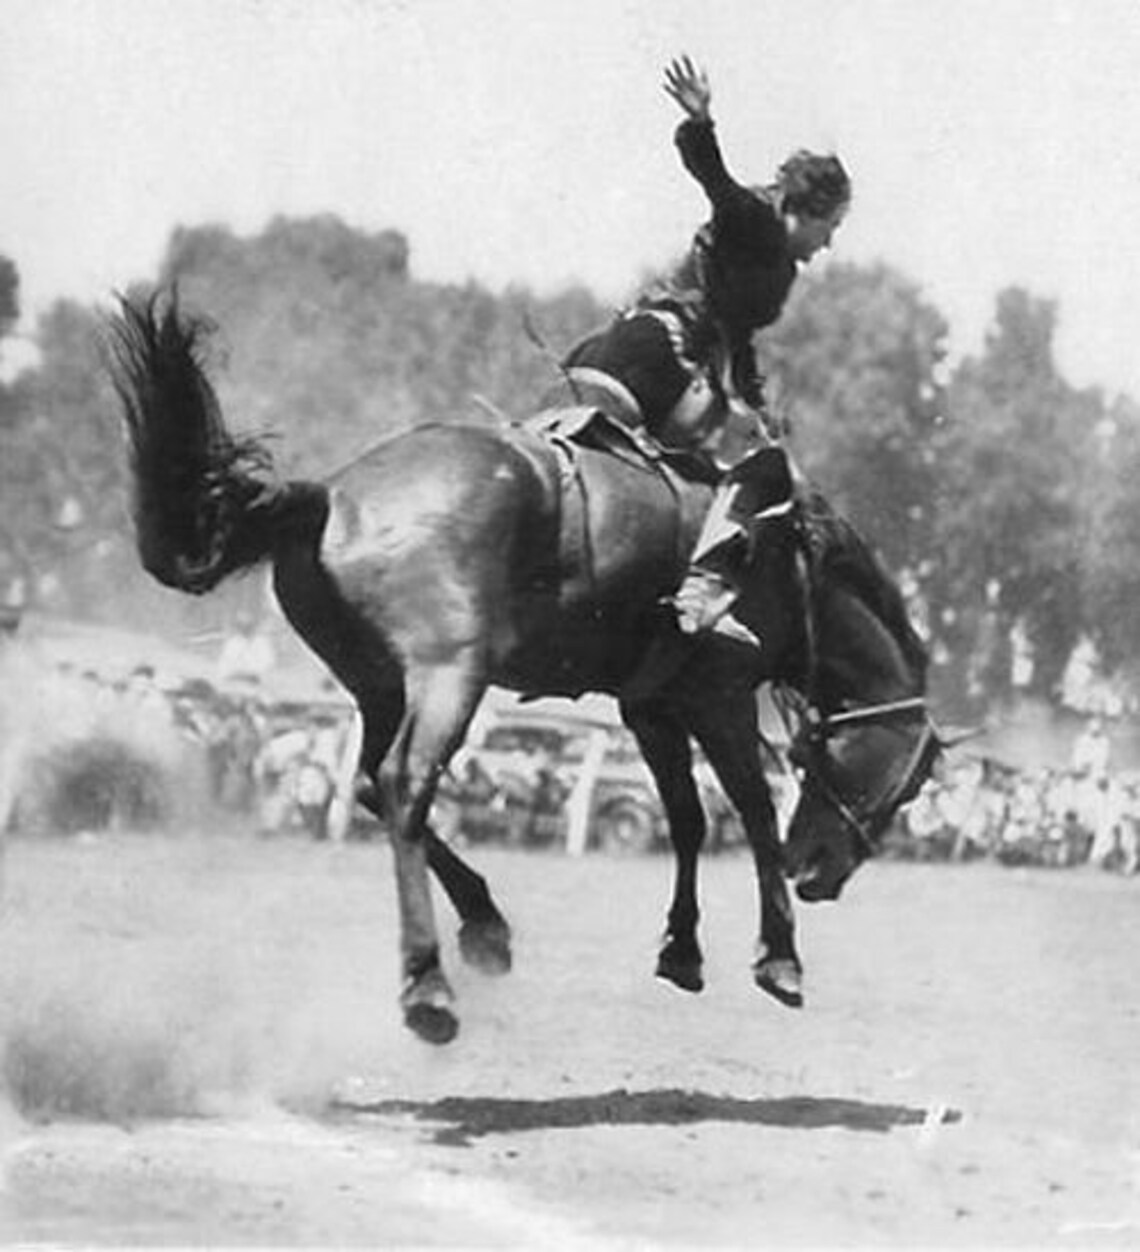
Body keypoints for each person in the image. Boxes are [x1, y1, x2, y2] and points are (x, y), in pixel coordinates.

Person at [561, 55, 851, 640]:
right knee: (769, 473)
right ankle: (703, 588)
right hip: (665, 359)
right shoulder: (758, 222)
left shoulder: (774, 251)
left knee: (752, 443)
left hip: (610, 347)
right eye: (830, 228)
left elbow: (737, 340)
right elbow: (715, 181)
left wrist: (757, 403)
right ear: (808, 212)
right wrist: (701, 122)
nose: (828, 245)